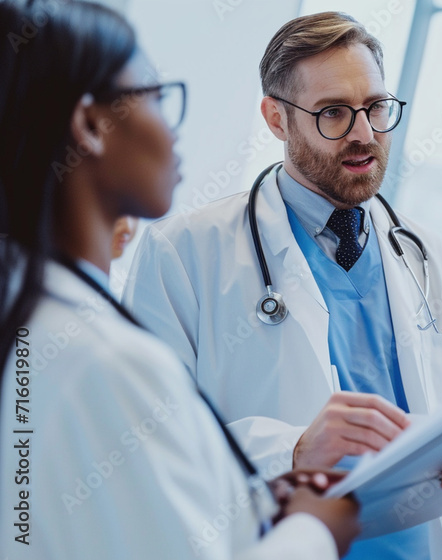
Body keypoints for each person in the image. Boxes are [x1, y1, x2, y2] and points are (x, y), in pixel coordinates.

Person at [122, 11, 442, 560]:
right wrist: (291, 450)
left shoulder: (430, 253)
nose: (364, 134)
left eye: (375, 108)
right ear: (276, 119)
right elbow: (144, 439)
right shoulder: (184, 252)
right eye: (334, 113)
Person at [0, 2, 360, 559]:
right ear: (92, 125)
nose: (172, 125)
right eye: (155, 95)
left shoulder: (35, 318)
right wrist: (314, 530)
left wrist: (247, 502)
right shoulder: (101, 359)